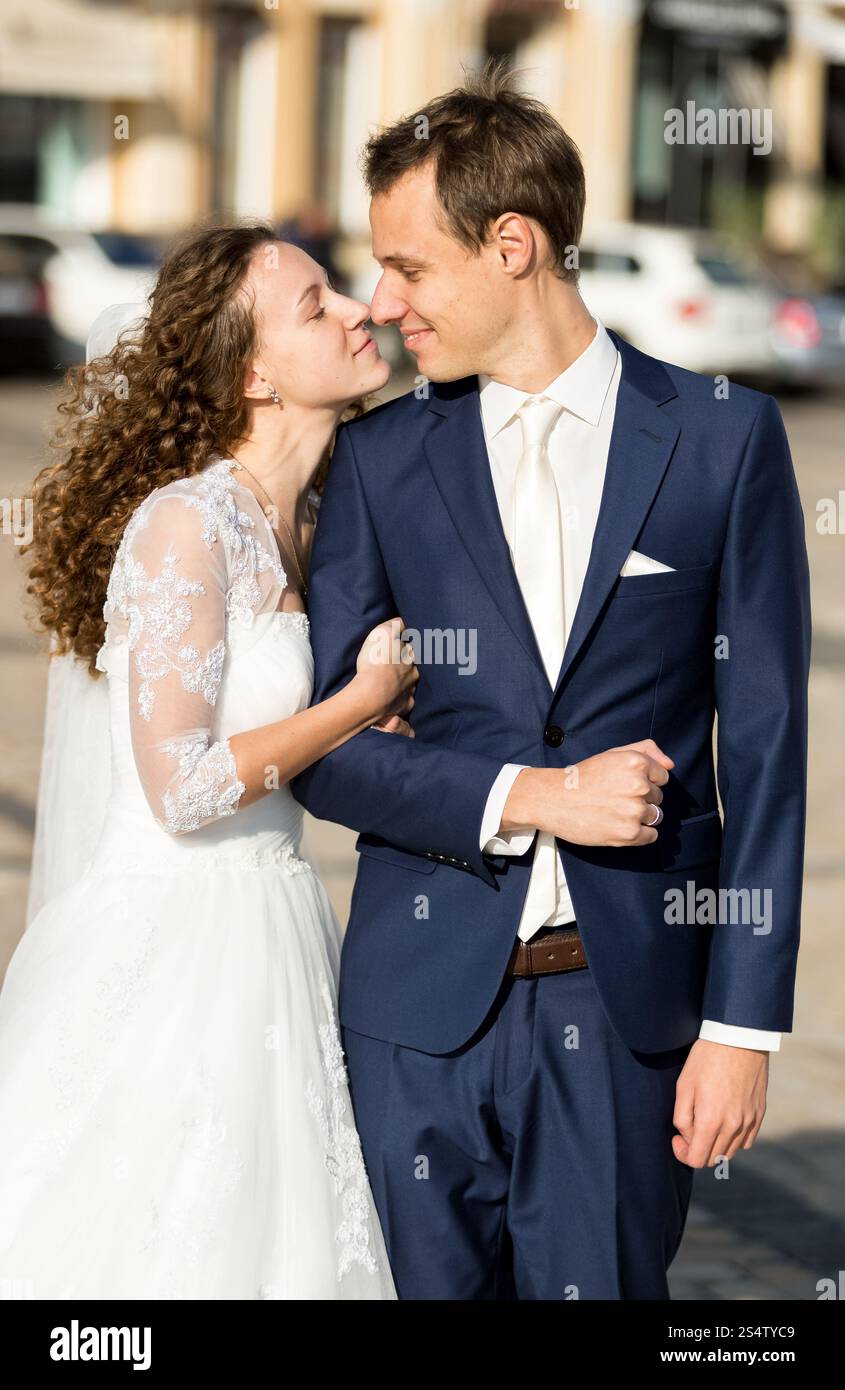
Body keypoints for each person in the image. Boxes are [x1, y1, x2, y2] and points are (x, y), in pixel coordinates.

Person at [291, 63, 811, 1299]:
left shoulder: (721, 437)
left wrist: (739, 1030)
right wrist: (532, 793)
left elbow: (769, 752)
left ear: (511, 244)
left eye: (408, 267)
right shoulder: (377, 461)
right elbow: (325, 748)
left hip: (625, 1019)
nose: (382, 302)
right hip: (413, 1018)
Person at [1, 220, 418, 1299]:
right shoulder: (185, 526)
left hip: (277, 919)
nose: (357, 310)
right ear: (255, 373)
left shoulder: (320, 519)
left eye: (339, 293)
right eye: (315, 306)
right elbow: (181, 785)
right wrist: (359, 700)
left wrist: (381, 726)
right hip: (175, 943)